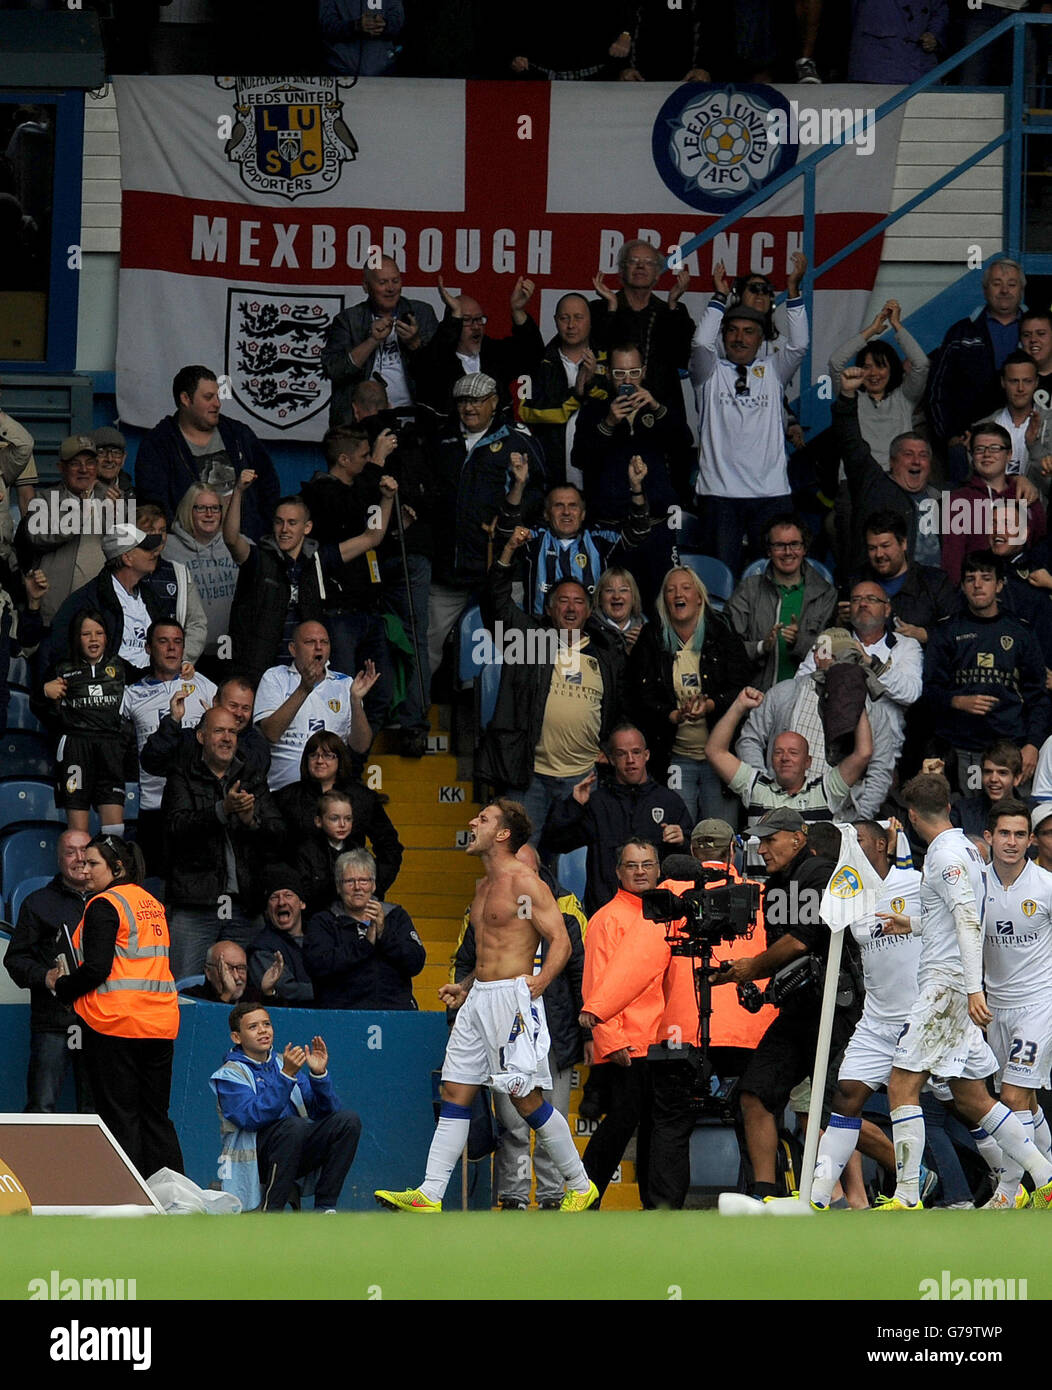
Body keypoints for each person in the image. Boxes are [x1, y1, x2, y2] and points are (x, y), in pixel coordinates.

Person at [374, 800, 598, 1212]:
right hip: (479, 1000)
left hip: (513, 998)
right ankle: (430, 1192)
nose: (472, 822)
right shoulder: (481, 888)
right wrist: (464, 986)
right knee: (456, 1090)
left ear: (502, 834)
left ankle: (580, 1184)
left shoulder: (524, 881)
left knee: (524, 1098)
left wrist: (541, 981)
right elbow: (486, 956)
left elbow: (562, 940)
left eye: (483, 819)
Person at [874, 773, 1052, 1210]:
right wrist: (913, 923)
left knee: (901, 1085)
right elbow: (963, 919)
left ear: (911, 816)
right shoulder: (971, 855)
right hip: (975, 990)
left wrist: (972, 989)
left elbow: (968, 920)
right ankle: (1045, 1177)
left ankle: (908, 1194)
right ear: (950, 809)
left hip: (950, 987)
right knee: (973, 1098)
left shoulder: (947, 855)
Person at [714, 809, 862, 1201]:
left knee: (837, 1112)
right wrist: (758, 985)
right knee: (755, 1093)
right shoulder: (776, 885)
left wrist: (750, 969)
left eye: (770, 840)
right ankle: (767, 1195)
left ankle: (913, 1172)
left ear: (798, 837)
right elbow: (784, 952)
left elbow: (801, 940)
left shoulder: (819, 871)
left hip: (834, 1009)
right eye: (759, 842)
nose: (761, 849)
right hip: (797, 1009)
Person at [451, 843, 586, 1210]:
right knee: (512, 1123)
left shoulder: (565, 912)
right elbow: (466, 963)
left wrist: (586, 1031)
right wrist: (459, 1013)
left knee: (547, 1120)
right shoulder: (485, 906)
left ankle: (555, 1195)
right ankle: (512, 1195)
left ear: (540, 872)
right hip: (502, 1032)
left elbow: (581, 975)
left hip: (553, 1035)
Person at [476, 526, 622, 845]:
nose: (571, 608)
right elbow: (494, 603)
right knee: (521, 860)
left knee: (580, 863)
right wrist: (508, 552)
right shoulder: (528, 640)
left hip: (585, 778)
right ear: (549, 608)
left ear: (588, 610)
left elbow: (621, 708)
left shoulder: (609, 651)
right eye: (563, 602)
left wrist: (609, 747)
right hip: (531, 777)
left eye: (579, 602)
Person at [49, 835, 184, 1180]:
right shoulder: (151, 903)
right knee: (156, 1116)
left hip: (116, 1023)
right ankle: (174, 1195)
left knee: (121, 1116)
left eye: (94, 863)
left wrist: (62, 986)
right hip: (160, 1023)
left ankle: (131, 1198)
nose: (85, 869)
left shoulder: (104, 904)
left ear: (117, 867)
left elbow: (96, 969)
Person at [809, 819, 922, 1210]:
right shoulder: (849, 896)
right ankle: (818, 1195)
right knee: (847, 1096)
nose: (851, 847)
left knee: (968, 1099)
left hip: (921, 1014)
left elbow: (952, 923)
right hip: (876, 1020)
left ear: (879, 844)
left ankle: (1017, 1176)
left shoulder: (914, 883)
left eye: (858, 840)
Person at [689, 254, 809, 573]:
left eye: (749, 331)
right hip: (719, 495)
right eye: (733, 331)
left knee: (771, 579)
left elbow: (798, 346)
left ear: (761, 339)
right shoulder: (708, 374)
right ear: (724, 335)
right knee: (719, 577)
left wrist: (793, 291)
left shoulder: (772, 372)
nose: (740, 338)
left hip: (770, 494)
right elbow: (701, 342)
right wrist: (719, 297)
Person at [426, 372, 546, 675]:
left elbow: (539, 492)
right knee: (427, 645)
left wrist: (506, 517)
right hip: (449, 570)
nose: (469, 408)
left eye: (477, 401)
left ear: (493, 402)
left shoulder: (516, 441)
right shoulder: (441, 439)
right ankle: (418, 715)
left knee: (511, 648)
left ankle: (515, 714)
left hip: (500, 568)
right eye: (463, 401)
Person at [162, 705, 287, 981]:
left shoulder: (252, 778)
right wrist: (222, 810)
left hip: (245, 907)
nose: (227, 738)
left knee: (246, 993)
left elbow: (278, 834)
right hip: (194, 906)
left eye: (233, 731)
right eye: (219, 731)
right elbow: (176, 828)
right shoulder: (181, 776)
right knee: (184, 990)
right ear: (201, 737)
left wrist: (250, 820)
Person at [578, 838, 667, 1207]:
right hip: (628, 1041)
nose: (641, 871)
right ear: (618, 872)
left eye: (647, 864)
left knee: (653, 1130)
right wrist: (609, 1039)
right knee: (619, 1126)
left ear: (659, 870)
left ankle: (651, 1203)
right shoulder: (607, 919)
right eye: (632, 865)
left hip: (662, 1039)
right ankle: (583, 1194)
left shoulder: (663, 913)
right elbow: (596, 983)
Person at [625, 565, 752, 819]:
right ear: (664, 600)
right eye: (670, 590)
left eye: (685, 588)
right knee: (678, 835)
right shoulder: (652, 637)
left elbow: (741, 686)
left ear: (699, 597)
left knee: (718, 835)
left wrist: (712, 705)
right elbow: (638, 696)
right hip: (674, 757)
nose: (677, 594)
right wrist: (671, 715)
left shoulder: (722, 633)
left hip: (720, 757)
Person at [211, 1002, 362, 1211]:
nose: (263, 1030)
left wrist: (319, 1075)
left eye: (267, 1024)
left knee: (347, 1121)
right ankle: (272, 1210)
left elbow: (325, 1112)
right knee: (293, 1126)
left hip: (293, 1149)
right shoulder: (230, 1073)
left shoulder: (284, 1063)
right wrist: (285, 1076)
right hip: (255, 1160)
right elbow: (252, 1118)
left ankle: (325, 1208)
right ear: (237, 1037)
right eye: (253, 1027)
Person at [978, 800, 1052, 1208]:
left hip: (1039, 1006)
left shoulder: (1045, 886)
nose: (1012, 842)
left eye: (1020, 834)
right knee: (1025, 1102)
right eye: (1004, 833)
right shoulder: (977, 884)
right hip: (996, 1009)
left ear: (1030, 840)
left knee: (1010, 1097)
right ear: (989, 837)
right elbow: (950, 922)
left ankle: (1009, 1193)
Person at [923, 550, 1049, 788]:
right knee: (969, 816)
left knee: (1011, 817)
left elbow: (1038, 696)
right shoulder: (947, 631)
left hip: (1010, 748)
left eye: (986, 578)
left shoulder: (1020, 632)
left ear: (1000, 585)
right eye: (970, 579)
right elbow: (928, 691)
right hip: (961, 748)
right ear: (962, 586)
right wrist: (957, 701)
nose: (978, 585)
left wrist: (1033, 744)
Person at [542, 723, 693, 915]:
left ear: (646, 755)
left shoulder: (669, 801)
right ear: (612, 759)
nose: (630, 760)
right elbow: (555, 842)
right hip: (606, 912)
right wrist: (574, 805)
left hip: (657, 916)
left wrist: (682, 841)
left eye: (636, 752)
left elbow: (693, 859)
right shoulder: (596, 803)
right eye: (622, 754)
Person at [3, 829, 94, 1113]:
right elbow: (15, 959)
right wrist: (46, 976)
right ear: (59, 860)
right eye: (70, 852)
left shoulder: (111, 901)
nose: (80, 859)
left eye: (86, 851)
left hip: (101, 1022)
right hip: (54, 1022)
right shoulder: (38, 903)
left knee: (98, 1113)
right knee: (41, 1108)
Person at [134, 364, 280, 538]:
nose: (217, 404)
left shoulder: (238, 434)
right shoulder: (158, 444)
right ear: (186, 399)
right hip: (188, 553)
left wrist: (260, 534)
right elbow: (155, 504)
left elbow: (269, 484)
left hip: (245, 547)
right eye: (208, 397)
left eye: (218, 396)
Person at [122, 619, 217, 873]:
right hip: (154, 808)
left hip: (199, 806)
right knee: (156, 889)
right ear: (148, 648)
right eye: (163, 642)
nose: (172, 649)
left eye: (177, 642)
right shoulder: (131, 694)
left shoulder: (205, 686)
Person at [494, 465, 652, 617]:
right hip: (542, 635)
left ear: (583, 514)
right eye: (558, 506)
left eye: (573, 506)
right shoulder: (534, 539)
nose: (566, 512)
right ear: (546, 515)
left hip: (592, 638)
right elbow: (507, 531)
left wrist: (636, 488)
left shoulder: (599, 539)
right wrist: (519, 484)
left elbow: (638, 532)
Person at [706, 685, 873, 826]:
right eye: (778, 752)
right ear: (771, 758)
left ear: (808, 762)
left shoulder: (825, 790)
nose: (785, 758)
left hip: (809, 866)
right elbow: (715, 751)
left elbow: (863, 753)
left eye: (793, 753)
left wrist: (857, 703)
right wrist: (739, 705)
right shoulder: (756, 787)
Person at [832, 368, 942, 573]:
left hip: (931, 594)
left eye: (923, 455)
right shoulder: (873, 485)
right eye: (908, 454)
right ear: (892, 461)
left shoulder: (943, 499)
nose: (916, 461)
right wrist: (847, 397)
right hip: (879, 591)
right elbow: (851, 444)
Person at [274, 730, 403, 896]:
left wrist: (373, 886)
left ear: (340, 759)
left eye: (328, 755)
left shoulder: (362, 798)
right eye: (313, 755)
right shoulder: (286, 798)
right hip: (304, 899)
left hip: (351, 896)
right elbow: (273, 850)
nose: (320, 761)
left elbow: (390, 846)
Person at [223, 480, 326, 686]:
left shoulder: (317, 560)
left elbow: (372, 538)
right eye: (279, 522)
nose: (284, 529)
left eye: (292, 522)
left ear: (307, 527)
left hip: (302, 669)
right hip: (260, 669)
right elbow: (231, 538)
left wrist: (386, 500)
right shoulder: (258, 558)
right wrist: (239, 491)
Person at [38, 607, 129, 836]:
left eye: (98, 633)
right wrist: (44, 693)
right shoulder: (61, 668)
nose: (93, 639)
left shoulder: (121, 668)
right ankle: (77, 870)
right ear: (77, 638)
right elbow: (40, 709)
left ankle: (110, 871)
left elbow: (153, 677)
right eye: (86, 634)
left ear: (107, 636)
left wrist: (183, 670)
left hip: (110, 748)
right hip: (75, 749)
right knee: (78, 830)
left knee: (115, 830)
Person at [254, 621, 375, 791]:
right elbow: (271, 733)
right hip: (283, 792)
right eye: (310, 642)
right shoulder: (275, 677)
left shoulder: (346, 684)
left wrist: (356, 701)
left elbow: (361, 746)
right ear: (293, 649)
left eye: (324, 642)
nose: (319, 648)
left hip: (332, 794)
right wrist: (304, 689)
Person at [725, 513, 838, 691]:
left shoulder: (825, 594)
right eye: (779, 545)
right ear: (769, 551)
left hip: (808, 699)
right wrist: (762, 647)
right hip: (756, 697)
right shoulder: (748, 590)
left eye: (794, 544)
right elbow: (728, 648)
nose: (787, 552)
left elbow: (831, 652)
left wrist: (799, 641)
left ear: (804, 548)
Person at [321, 256, 439, 425]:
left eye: (395, 281)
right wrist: (372, 341)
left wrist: (415, 343)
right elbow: (334, 370)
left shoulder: (421, 313)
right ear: (366, 286)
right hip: (361, 424)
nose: (390, 288)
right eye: (383, 282)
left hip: (413, 421)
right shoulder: (348, 320)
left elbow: (439, 372)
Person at [590, 239, 695, 429]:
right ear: (622, 270)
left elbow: (683, 358)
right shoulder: (600, 309)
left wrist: (673, 305)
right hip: (611, 410)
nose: (640, 266)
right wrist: (612, 309)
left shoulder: (671, 311)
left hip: (661, 409)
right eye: (633, 261)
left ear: (657, 274)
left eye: (648, 262)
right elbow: (596, 353)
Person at [43, 522, 169, 679]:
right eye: (146, 549)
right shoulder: (86, 600)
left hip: (155, 682)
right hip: (113, 688)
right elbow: (60, 650)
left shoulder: (151, 597)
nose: (155, 553)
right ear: (127, 558)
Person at [303, 849, 425, 1009]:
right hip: (342, 1015)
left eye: (364, 880)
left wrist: (383, 933)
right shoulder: (324, 921)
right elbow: (317, 966)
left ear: (373, 885)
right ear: (339, 886)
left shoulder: (396, 916)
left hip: (395, 1013)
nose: (357, 887)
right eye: (349, 881)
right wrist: (364, 946)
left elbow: (415, 962)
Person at [928, 257, 1025, 451]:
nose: (1005, 290)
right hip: (968, 443)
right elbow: (937, 391)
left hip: (1027, 441)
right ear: (985, 290)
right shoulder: (961, 333)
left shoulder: (1039, 332)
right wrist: (949, 438)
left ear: (1021, 290)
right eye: (997, 284)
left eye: (1012, 284)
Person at [15, 434, 110, 625]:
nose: (84, 469)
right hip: (55, 613)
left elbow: (128, 551)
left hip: (100, 615)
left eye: (90, 463)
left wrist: (119, 516)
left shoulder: (115, 499)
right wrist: (81, 513)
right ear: (61, 468)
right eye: (75, 463)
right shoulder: (43, 500)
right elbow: (38, 537)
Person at [414, 275, 543, 415]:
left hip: (498, 435)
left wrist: (518, 310)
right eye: (467, 320)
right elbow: (426, 363)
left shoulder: (494, 354)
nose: (476, 326)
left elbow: (533, 355)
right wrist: (455, 316)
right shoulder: (437, 362)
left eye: (479, 319)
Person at [518, 293, 612, 484]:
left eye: (578, 317)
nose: (571, 325)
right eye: (564, 318)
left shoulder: (609, 359)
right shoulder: (537, 362)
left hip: (602, 475)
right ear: (555, 321)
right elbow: (525, 411)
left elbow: (616, 404)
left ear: (590, 320)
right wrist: (575, 396)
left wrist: (591, 382)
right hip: (551, 475)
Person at [828, 299, 930, 469]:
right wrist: (872, 330)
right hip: (855, 480)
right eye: (867, 367)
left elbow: (921, 364)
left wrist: (896, 324)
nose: (874, 373)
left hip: (896, 478)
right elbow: (835, 363)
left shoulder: (904, 398)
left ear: (892, 370)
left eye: (881, 366)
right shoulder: (849, 396)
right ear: (859, 370)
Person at [941, 421, 1044, 586]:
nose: (987, 454)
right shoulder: (959, 501)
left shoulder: (1026, 493)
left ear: (1009, 454)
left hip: (1026, 592)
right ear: (972, 455)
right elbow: (952, 560)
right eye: (979, 449)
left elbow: (1041, 547)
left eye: (995, 448)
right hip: (979, 595)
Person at [163, 483, 240, 677]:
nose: (209, 514)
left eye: (215, 508)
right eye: (201, 508)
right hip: (186, 653)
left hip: (231, 650)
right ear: (189, 510)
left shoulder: (240, 546)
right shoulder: (167, 548)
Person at [853, 509, 956, 647]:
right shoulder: (855, 582)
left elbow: (959, 631)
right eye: (872, 548)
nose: (879, 554)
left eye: (885, 546)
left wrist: (926, 635)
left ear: (903, 544)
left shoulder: (935, 582)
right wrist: (841, 622)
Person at [247, 866, 315, 1007]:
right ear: (267, 909)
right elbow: (286, 990)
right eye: (274, 897)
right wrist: (331, 991)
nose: (281, 902)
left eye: (288, 895)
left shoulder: (320, 935)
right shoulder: (262, 948)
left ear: (302, 903)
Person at [951, 740, 1024, 838]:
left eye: (1002, 773)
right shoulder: (963, 811)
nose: (993, 779)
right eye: (988, 772)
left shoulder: (1032, 814)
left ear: (1017, 778)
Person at [181, 940, 280, 1004]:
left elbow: (278, 1025)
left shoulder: (253, 997)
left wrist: (268, 993)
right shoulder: (190, 997)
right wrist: (226, 995)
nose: (236, 977)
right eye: (227, 968)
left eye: (241, 968)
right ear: (208, 972)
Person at [91, 426, 135, 500]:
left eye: (116, 452)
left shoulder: (132, 494)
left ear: (123, 458)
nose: (109, 459)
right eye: (101, 452)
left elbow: (132, 511)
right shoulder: (78, 491)